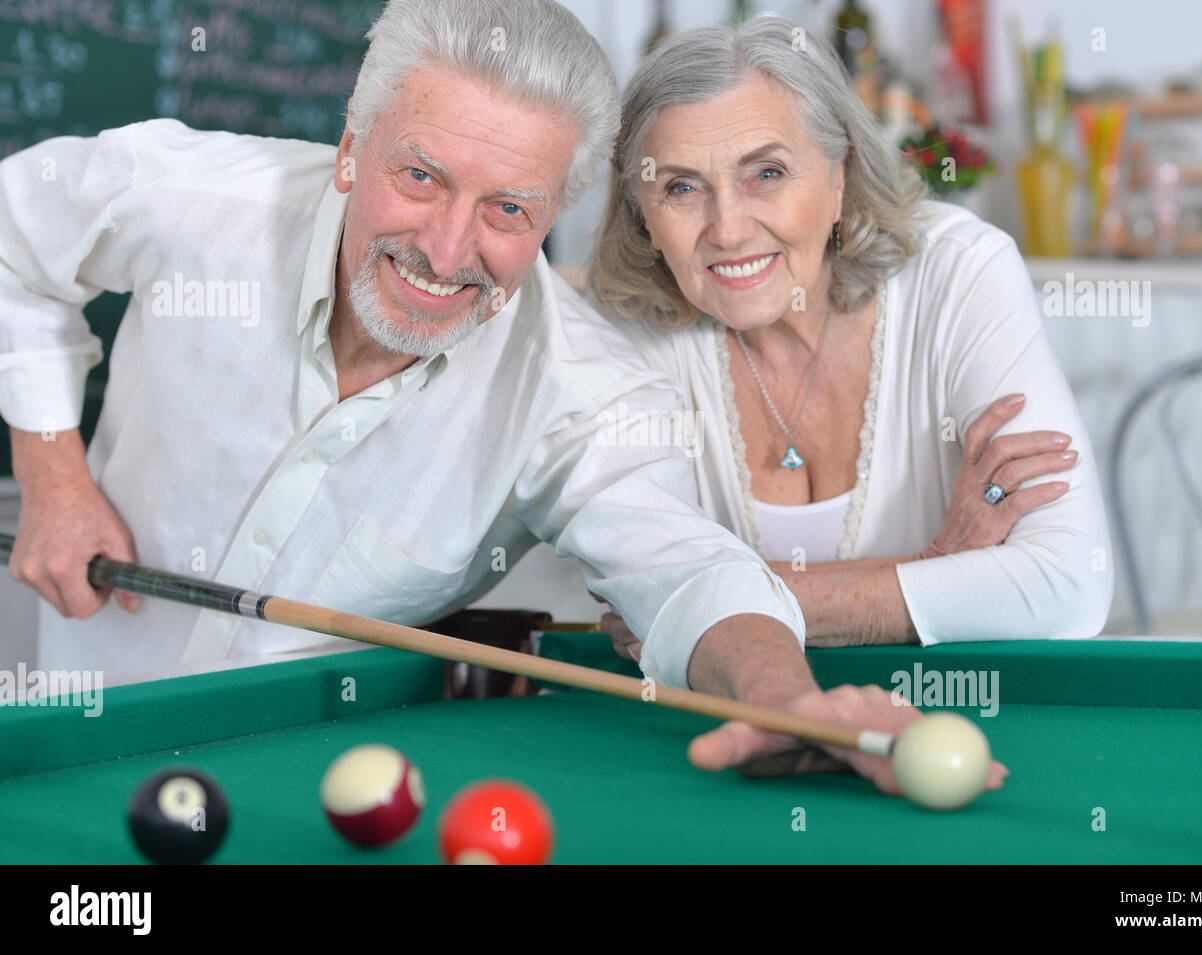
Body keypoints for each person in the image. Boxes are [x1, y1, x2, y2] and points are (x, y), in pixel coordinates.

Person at [0, 0, 1005, 796]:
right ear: (353, 146)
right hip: (55, 752)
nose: (446, 249)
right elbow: (16, 230)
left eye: (507, 209)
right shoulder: (198, 204)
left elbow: (686, 567)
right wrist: (51, 470)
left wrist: (788, 700)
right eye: (421, 175)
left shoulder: (578, 384)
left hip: (306, 809)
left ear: (553, 219)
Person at [588, 17, 1113, 662]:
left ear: (841, 177)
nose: (727, 230)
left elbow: (1069, 583)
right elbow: (648, 596)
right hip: (733, 728)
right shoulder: (625, 334)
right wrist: (940, 565)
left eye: (768, 174)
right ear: (642, 216)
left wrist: (711, 603)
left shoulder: (960, 271)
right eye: (681, 187)